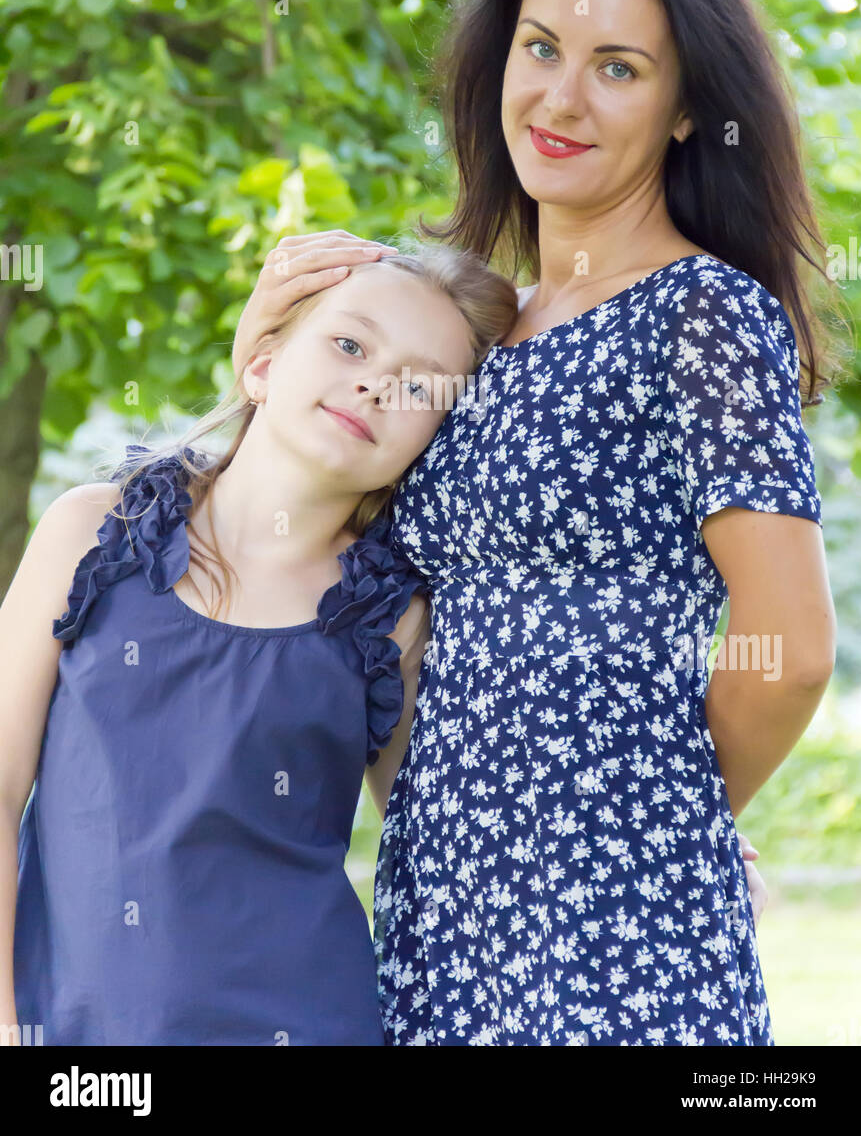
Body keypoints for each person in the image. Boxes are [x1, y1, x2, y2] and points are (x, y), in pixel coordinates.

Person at [231, 0, 841, 1046]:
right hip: (438, 912)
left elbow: (792, 648)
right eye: (540, 49)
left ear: (681, 111)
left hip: (611, 935)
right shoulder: (469, 329)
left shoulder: (700, 314)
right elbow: (312, 541)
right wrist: (251, 359)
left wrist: (664, 811)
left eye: (616, 67)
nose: (559, 99)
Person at [1, 242, 517, 1045]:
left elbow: (454, 842)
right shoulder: (91, 532)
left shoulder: (396, 618)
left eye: (419, 386)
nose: (376, 383)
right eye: (349, 344)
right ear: (262, 365)